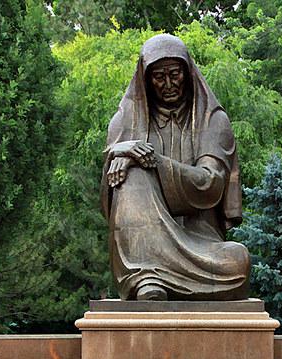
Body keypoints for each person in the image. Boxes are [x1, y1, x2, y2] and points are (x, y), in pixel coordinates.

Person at [100, 34, 250, 301]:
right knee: (129, 174)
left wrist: (154, 161)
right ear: (146, 79)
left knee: (238, 260)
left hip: (200, 243)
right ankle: (147, 277)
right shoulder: (125, 121)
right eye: (159, 77)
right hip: (142, 248)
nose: (168, 84)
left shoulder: (213, 121)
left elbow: (209, 184)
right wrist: (119, 153)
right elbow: (112, 201)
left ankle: (157, 276)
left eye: (175, 74)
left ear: (188, 74)